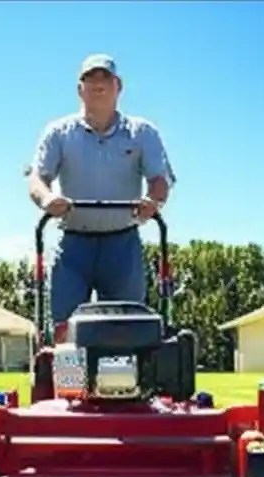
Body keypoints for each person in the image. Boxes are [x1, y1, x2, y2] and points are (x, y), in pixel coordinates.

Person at [24, 53, 177, 344]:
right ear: (79, 89)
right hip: (73, 247)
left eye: (104, 78)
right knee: (64, 331)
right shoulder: (58, 132)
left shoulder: (142, 132)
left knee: (129, 328)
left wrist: (152, 203)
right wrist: (48, 200)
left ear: (118, 86)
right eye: (89, 79)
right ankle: (68, 385)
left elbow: (160, 180)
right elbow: (37, 179)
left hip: (123, 245)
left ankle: (126, 386)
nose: (98, 85)